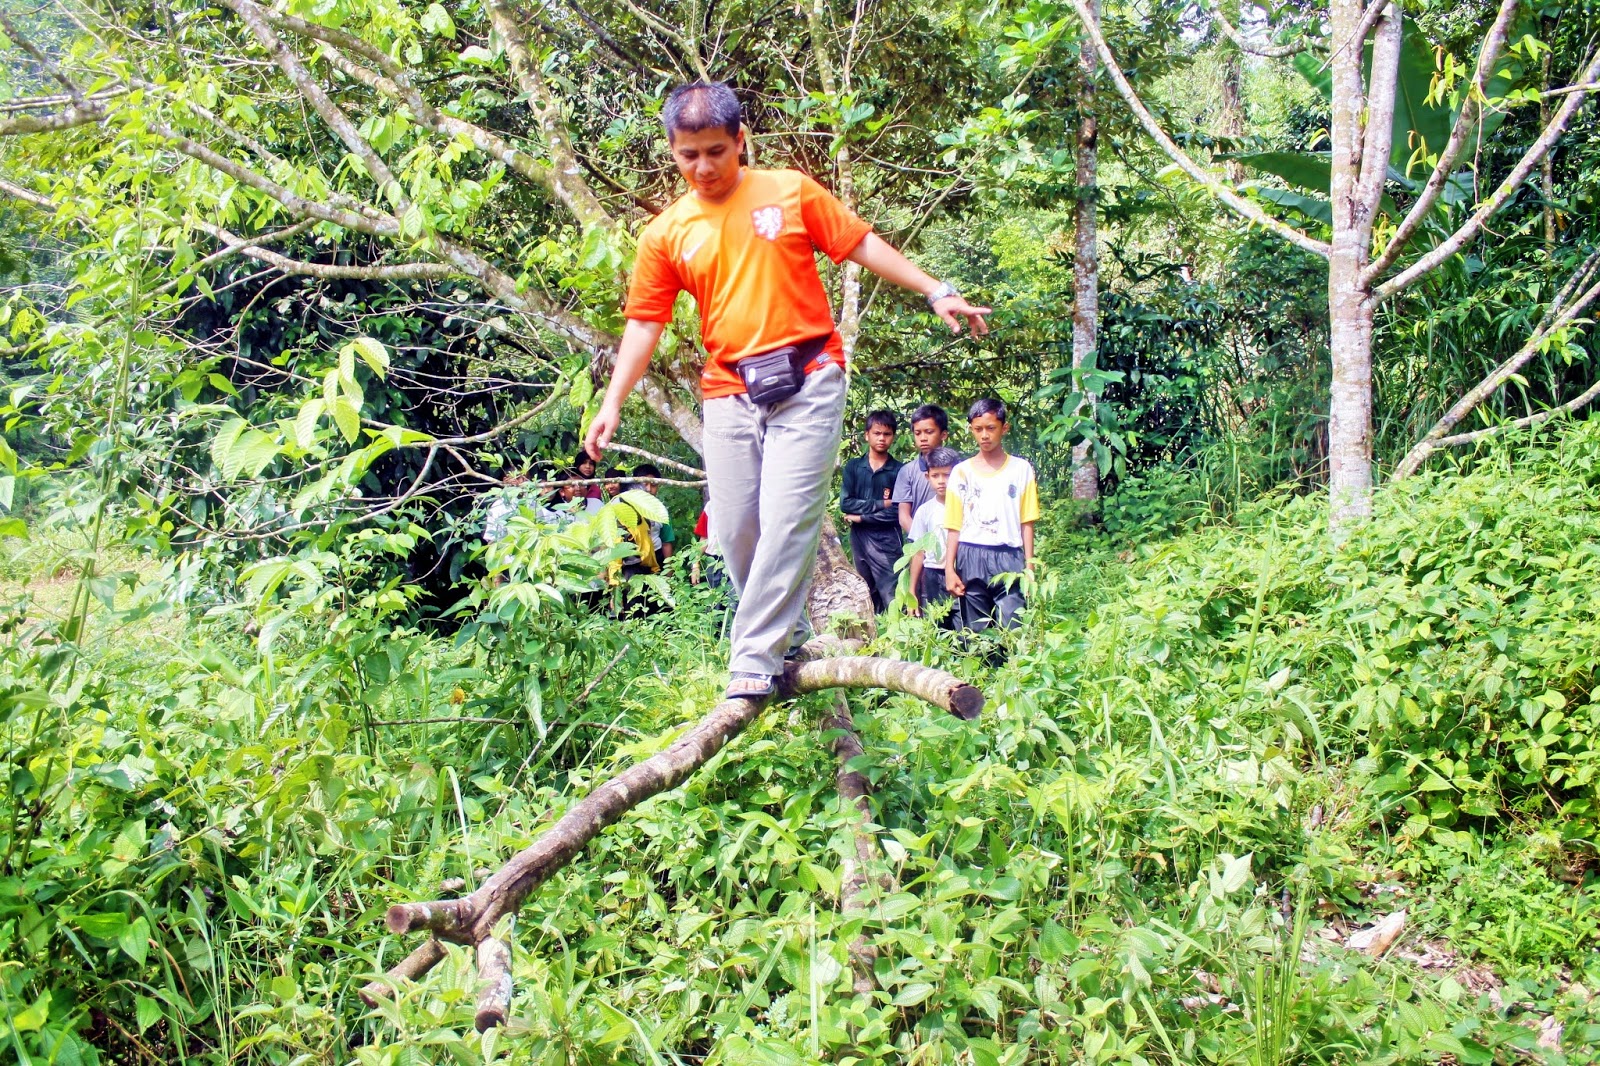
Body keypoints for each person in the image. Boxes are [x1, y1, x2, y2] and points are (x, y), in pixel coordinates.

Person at [583, 80, 991, 700]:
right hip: (728, 389)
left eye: (716, 151)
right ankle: (790, 632)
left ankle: (752, 658)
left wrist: (935, 290)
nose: (704, 167)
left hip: (809, 376)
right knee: (735, 528)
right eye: (689, 155)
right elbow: (645, 322)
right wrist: (612, 401)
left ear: (740, 140)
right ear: (671, 149)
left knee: (787, 519)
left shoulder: (789, 191)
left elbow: (859, 243)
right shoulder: (666, 233)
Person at [945, 399, 1039, 633]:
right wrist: (949, 568)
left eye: (991, 428)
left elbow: (1027, 521)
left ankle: (1013, 669)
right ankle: (980, 669)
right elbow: (953, 525)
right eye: (978, 429)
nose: (984, 435)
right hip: (971, 554)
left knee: (1013, 625)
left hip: (1009, 555)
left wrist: (1030, 568)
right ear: (971, 430)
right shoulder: (961, 472)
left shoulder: (1021, 469)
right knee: (976, 630)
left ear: (1004, 428)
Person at [840, 410, 904, 614]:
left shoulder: (899, 470)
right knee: (866, 592)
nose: (882, 438)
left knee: (891, 592)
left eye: (887, 434)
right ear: (867, 435)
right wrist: (881, 504)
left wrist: (861, 517)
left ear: (893, 437)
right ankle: (872, 641)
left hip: (888, 540)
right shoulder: (853, 467)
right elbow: (846, 504)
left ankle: (899, 638)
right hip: (859, 538)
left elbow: (897, 512)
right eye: (877, 433)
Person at [907, 446, 961, 625]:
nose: (941, 481)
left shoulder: (967, 506)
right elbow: (918, 552)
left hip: (961, 572)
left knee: (965, 627)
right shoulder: (924, 511)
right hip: (933, 575)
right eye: (935, 476)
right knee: (939, 626)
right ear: (927, 477)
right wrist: (912, 590)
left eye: (947, 475)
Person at [892, 404, 952, 533]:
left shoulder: (959, 468)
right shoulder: (907, 471)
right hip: (919, 544)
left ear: (943, 434)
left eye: (929, 432)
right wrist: (922, 544)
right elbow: (904, 517)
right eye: (917, 433)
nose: (923, 438)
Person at [631, 462, 676, 561]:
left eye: (653, 485)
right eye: (644, 484)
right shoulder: (624, 506)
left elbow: (666, 542)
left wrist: (669, 572)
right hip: (631, 560)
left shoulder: (661, 510)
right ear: (635, 484)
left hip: (656, 557)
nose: (649, 489)